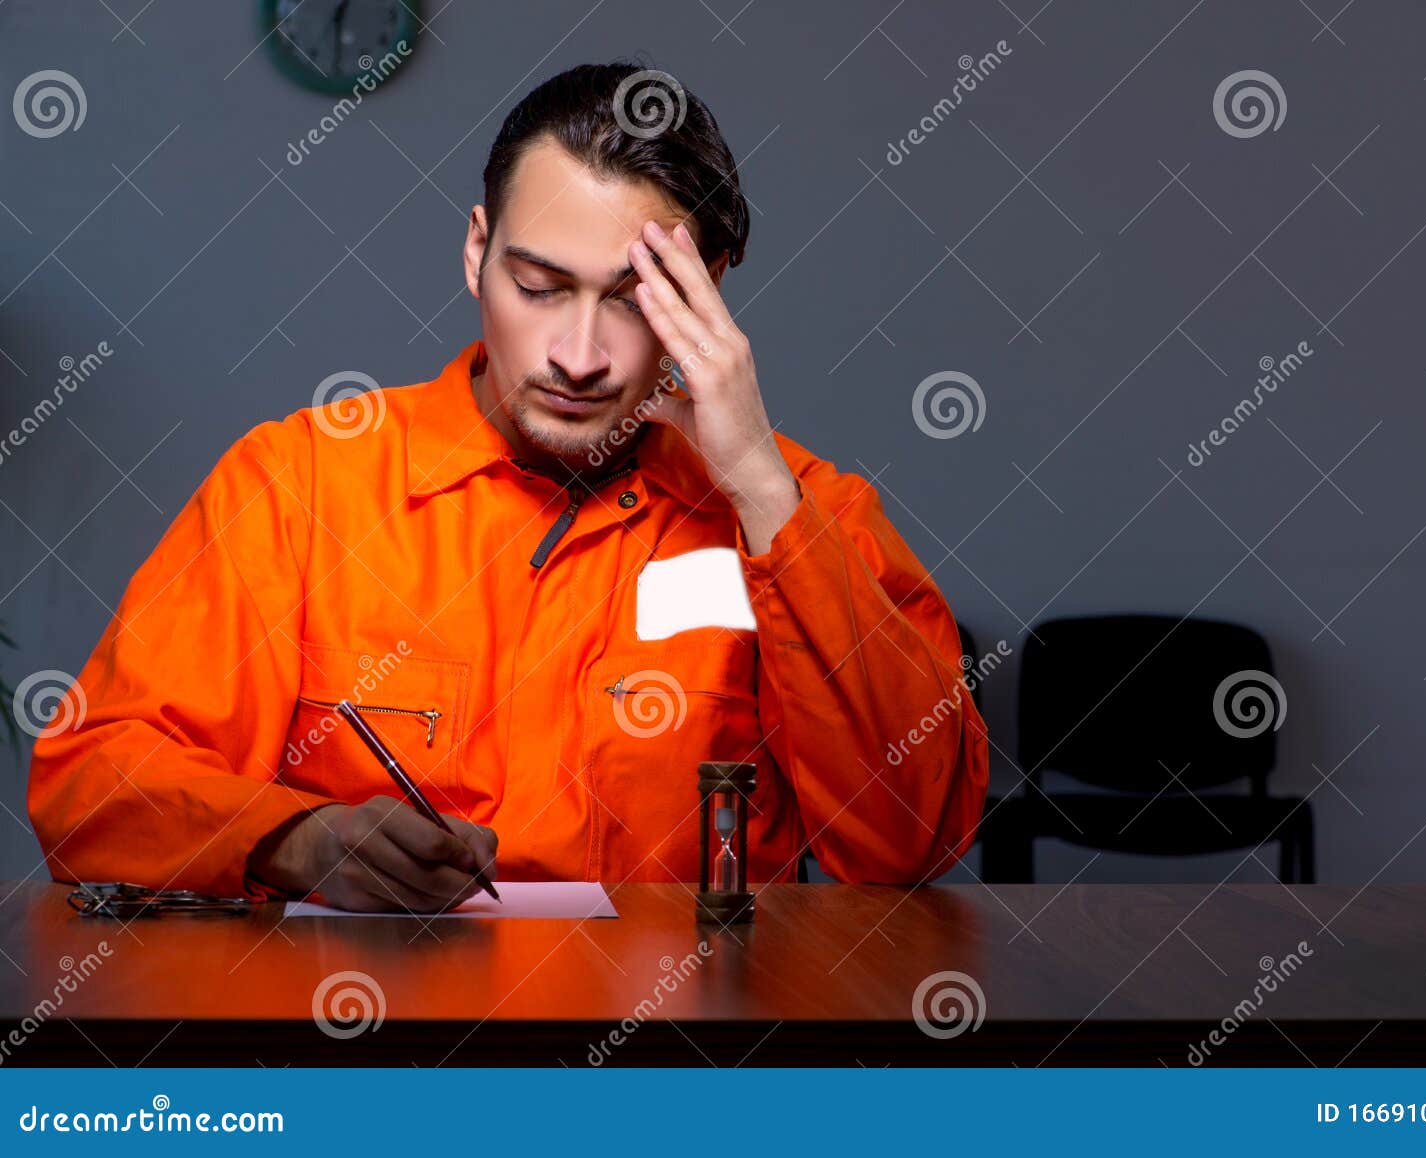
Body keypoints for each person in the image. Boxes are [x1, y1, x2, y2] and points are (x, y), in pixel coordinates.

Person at [26, 61, 989, 913]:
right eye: (537, 287)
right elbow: (89, 786)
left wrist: (758, 491)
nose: (578, 357)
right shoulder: (302, 484)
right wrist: (294, 842)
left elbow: (912, 842)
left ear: (712, 290)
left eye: (631, 301)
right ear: (477, 252)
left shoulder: (804, 512)